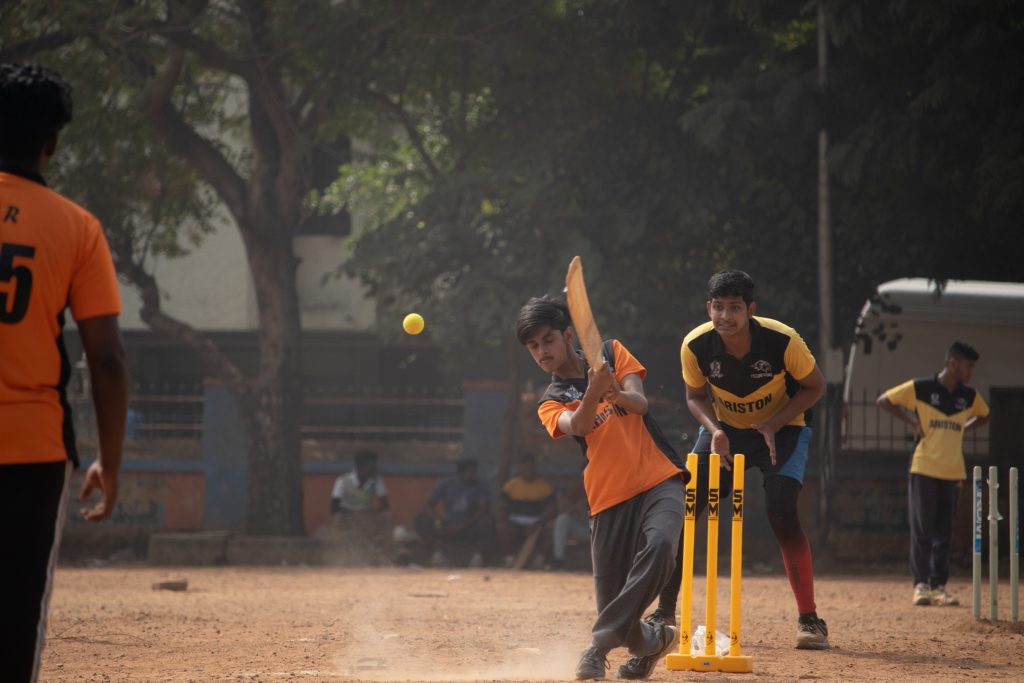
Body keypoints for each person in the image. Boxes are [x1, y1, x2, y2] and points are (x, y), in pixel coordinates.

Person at [620, 269, 829, 678]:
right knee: (683, 513)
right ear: (708, 308)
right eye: (718, 307)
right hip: (723, 432)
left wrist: (772, 423)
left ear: (751, 310)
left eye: (735, 308)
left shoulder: (783, 340)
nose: (726, 316)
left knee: (782, 510)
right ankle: (665, 611)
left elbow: (814, 386)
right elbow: (695, 397)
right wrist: (715, 431)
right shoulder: (696, 345)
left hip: (783, 429)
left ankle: (810, 620)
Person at [0, 63, 129, 683]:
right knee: (17, 616)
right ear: (52, 143)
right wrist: (110, 459)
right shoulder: (77, 228)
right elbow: (104, 355)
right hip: (31, 451)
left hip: (33, 450)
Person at [516, 295, 687, 681]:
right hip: (607, 498)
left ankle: (597, 647)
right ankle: (655, 642)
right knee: (619, 616)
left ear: (567, 334)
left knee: (662, 545)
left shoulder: (610, 351)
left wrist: (614, 392)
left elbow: (640, 404)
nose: (542, 352)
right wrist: (595, 390)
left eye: (547, 340)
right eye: (533, 347)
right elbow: (578, 426)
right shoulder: (550, 401)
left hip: (659, 478)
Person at [877, 341, 990, 606]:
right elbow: (884, 400)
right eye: (968, 366)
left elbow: (985, 415)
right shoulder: (922, 388)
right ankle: (921, 585)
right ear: (953, 363)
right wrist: (912, 422)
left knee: (944, 531)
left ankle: (939, 586)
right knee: (922, 529)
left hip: (953, 471)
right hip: (924, 467)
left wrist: (965, 428)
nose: (971, 372)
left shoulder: (969, 396)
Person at [414, 458, 492, 567]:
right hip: (449, 522)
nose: (473, 476)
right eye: (469, 473)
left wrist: (463, 525)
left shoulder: (479, 485)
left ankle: (479, 555)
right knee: (420, 519)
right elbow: (429, 505)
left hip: (470, 524)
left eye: (474, 472)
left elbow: (483, 509)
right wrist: (440, 520)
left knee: (487, 520)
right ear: (460, 473)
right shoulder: (445, 484)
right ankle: (437, 553)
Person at [496, 452, 556, 568]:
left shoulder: (544, 487)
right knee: (501, 527)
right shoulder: (511, 486)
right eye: (525, 466)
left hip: (538, 524)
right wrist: (506, 520)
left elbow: (551, 509)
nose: (529, 469)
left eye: (531, 466)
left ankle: (541, 558)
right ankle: (509, 558)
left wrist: (538, 523)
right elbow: (502, 507)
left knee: (551, 528)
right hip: (514, 523)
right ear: (520, 467)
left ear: (535, 468)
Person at [550, 477, 590, 571]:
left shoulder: (603, 487)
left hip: (599, 530)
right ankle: (558, 559)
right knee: (562, 519)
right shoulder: (577, 489)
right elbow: (563, 510)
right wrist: (576, 509)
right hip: (582, 528)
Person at [331, 450, 389, 514]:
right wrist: (354, 515)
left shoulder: (377, 480)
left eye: (375, 466)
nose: (375, 469)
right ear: (360, 466)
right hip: (345, 518)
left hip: (367, 518)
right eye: (372, 466)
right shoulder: (342, 481)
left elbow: (385, 505)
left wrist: (373, 514)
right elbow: (334, 508)